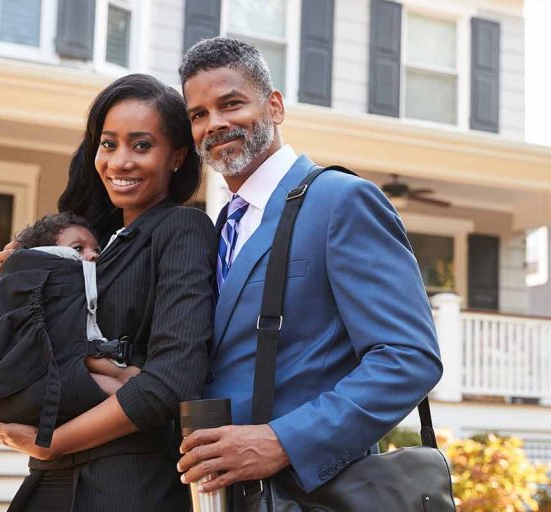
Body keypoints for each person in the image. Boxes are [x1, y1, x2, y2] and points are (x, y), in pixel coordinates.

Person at [174, 37, 443, 506]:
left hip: (310, 496)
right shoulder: (220, 228)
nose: (215, 124)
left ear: (275, 106)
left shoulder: (340, 200)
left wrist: (282, 441)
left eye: (231, 104)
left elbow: (408, 357)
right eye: (199, 114)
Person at [0, 74, 215, 511]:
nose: (120, 161)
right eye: (108, 145)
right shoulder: (91, 248)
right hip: (50, 480)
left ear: (178, 157)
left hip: (126, 485)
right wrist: (14, 291)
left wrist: (52, 441)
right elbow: (22, 361)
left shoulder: (181, 229)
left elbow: (171, 383)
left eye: (142, 145)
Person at [12, 211, 141, 394]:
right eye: (78, 249)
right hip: (53, 377)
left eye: (97, 249)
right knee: (128, 396)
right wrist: (119, 373)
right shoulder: (52, 295)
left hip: (63, 376)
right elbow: (73, 346)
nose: (94, 255)